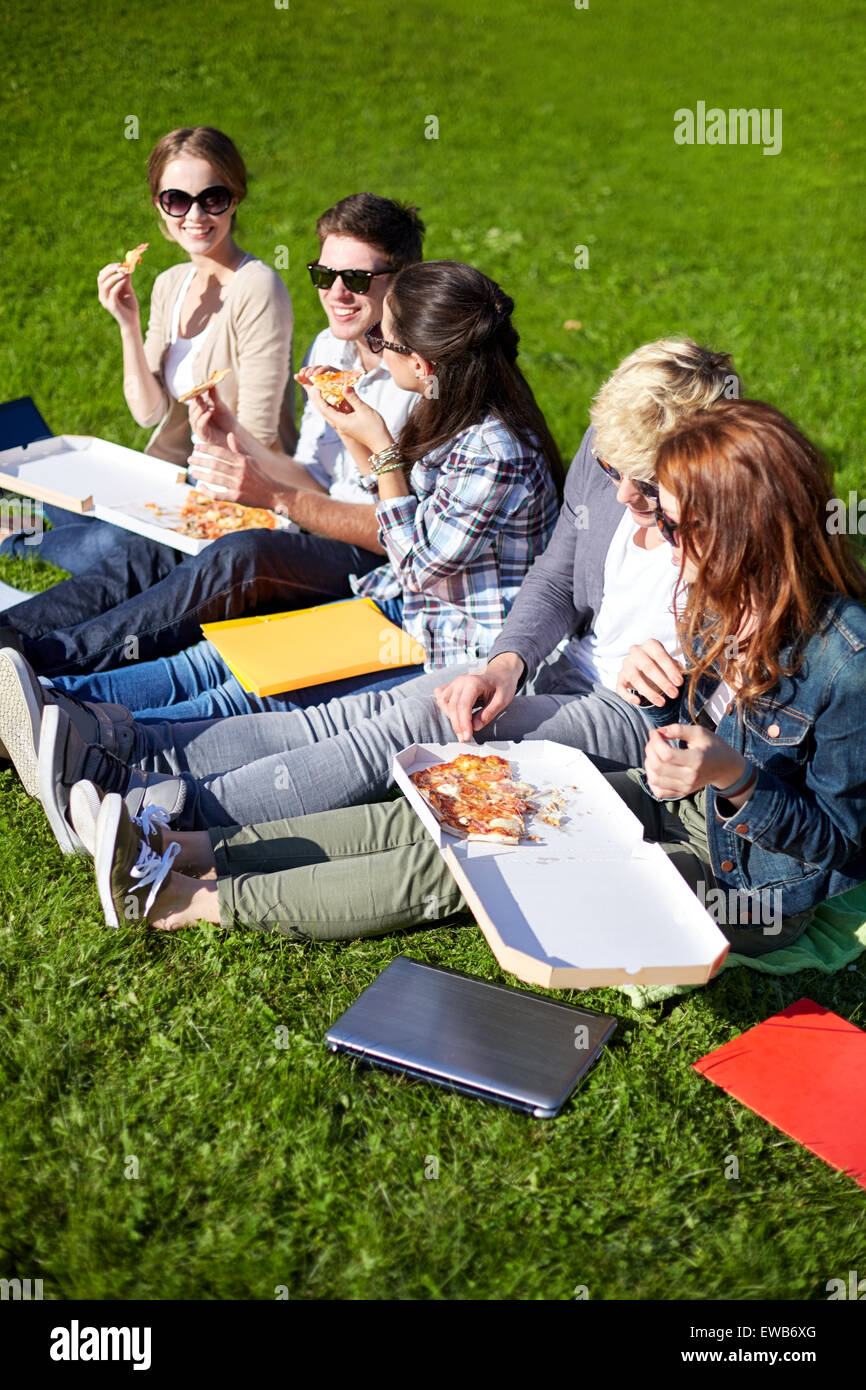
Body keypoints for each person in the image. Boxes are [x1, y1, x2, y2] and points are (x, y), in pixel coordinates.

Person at [78, 400, 866, 955]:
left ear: (739, 530)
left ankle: (198, 901)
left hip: (750, 885)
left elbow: (843, 848)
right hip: (680, 804)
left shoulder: (845, 662)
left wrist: (731, 779)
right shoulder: (717, 596)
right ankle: (192, 844)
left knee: (489, 856)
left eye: (670, 522)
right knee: (448, 802)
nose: (655, 537)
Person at [2, 338, 734, 835]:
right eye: (613, 476)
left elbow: (762, 675)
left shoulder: (741, 521)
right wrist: (507, 662)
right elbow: (554, 578)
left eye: (645, 486)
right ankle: (113, 746)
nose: (625, 498)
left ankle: (155, 810)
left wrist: (681, 679)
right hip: (532, 656)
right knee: (361, 710)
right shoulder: (608, 462)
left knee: (398, 729)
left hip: (627, 713)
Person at [39, 259, 563, 720]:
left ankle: (78, 726)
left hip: (449, 649)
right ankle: (50, 696)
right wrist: (351, 433)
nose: (372, 347)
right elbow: (397, 513)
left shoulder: (493, 450)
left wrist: (378, 443)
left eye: (383, 340)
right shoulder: (448, 404)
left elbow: (416, 563)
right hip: (400, 607)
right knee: (221, 657)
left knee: (246, 695)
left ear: (421, 363)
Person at [0, 192, 424, 670]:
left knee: (240, 554)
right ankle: (11, 634)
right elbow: (316, 480)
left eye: (358, 279)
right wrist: (234, 437)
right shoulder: (329, 348)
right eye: (324, 276)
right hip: (312, 523)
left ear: (402, 279)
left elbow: (400, 536)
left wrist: (276, 498)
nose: (337, 293)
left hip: (371, 562)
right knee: (158, 546)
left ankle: (42, 665)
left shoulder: (421, 380)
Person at [1, 126, 295, 594]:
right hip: (171, 473)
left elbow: (259, 438)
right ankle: (28, 519)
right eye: (177, 200)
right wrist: (127, 324)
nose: (195, 215)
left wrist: (187, 488)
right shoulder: (169, 283)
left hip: (233, 490)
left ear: (235, 198)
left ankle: (16, 537)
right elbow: (149, 413)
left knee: (103, 545)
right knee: (82, 499)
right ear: (160, 205)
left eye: (212, 198)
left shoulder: (257, 288)